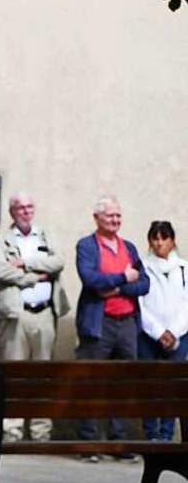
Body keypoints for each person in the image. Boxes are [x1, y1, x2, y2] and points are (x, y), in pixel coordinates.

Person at [0, 193, 70, 442]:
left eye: (29, 206)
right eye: (19, 207)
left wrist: (25, 263)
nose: (25, 211)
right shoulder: (0, 238)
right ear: (11, 212)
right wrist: (34, 276)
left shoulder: (46, 235)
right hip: (16, 314)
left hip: (45, 313)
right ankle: (11, 433)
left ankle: (40, 433)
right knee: (13, 376)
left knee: (42, 377)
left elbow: (58, 262)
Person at [75, 195, 150, 455]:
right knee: (91, 382)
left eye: (118, 215)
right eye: (110, 216)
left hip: (127, 324)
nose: (115, 220)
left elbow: (144, 283)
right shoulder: (86, 246)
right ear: (97, 218)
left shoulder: (129, 247)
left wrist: (116, 285)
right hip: (99, 325)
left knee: (123, 384)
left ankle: (118, 440)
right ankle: (89, 442)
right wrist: (123, 278)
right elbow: (91, 279)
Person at [137, 220, 188, 441]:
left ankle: (166, 435)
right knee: (150, 386)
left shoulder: (184, 269)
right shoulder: (143, 267)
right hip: (149, 336)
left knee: (171, 387)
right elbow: (140, 303)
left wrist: (174, 331)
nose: (159, 243)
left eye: (164, 238)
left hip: (180, 334)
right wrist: (158, 332)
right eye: (155, 238)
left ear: (172, 240)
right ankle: (151, 435)